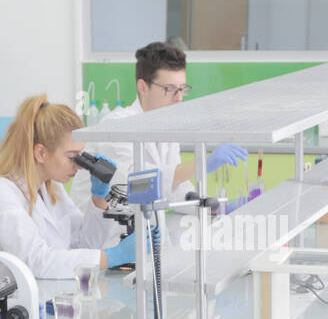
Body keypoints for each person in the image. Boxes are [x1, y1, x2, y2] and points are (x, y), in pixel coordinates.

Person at [0, 96, 133, 278]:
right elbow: (37, 261)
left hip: (46, 293)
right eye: (72, 157)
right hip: (4, 302)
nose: (79, 166)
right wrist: (112, 257)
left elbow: (83, 244)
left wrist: (99, 198)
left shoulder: (51, 188)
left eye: (81, 156)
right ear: (41, 153)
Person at [71, 42, 247, 211]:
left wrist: (210, 206)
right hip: (99, 234)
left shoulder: (166, 128)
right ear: (143, 87)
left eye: (182, 89)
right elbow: (138, 183)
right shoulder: (116, 127)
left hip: (140, 225)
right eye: (169, 89)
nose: (178, 98)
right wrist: (203, 164)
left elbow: (175, 187)